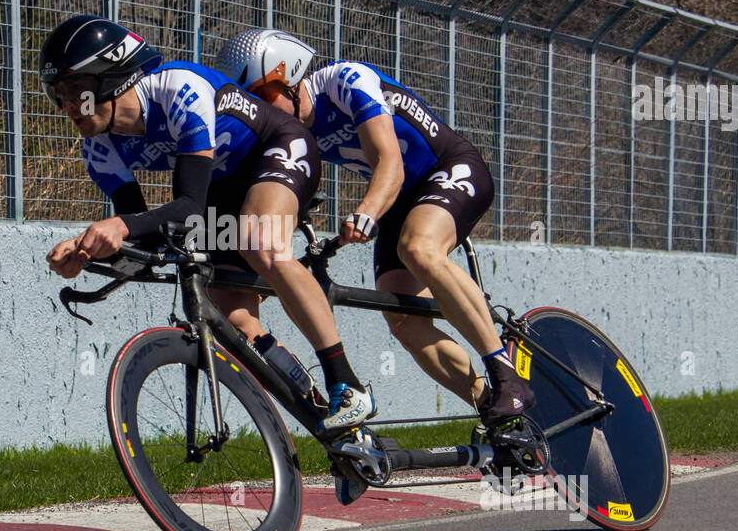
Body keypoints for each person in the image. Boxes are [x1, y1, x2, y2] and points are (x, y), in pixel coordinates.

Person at [40, 15, 375, 434]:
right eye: (59, 96)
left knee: (260, 241)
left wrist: (120, 228)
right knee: (231, 320)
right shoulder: (99, 148)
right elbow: (145, 232)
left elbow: (187, 208)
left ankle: (347, 382)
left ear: (111, 78)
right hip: (222, 182)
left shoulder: (176, 88)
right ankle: (333, 426)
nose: (69, 107)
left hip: (277, 148)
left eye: (77, 92)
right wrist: (89, 252)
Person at [215, 27, 535, 427]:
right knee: (402, 319)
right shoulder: (286, 131)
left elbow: (390, 162)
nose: (263, 107)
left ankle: (506, 374)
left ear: (290, 75)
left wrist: (366, 212)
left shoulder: (345, 82)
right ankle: (493, 409)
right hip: (403, 199)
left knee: (419, 248)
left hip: (449, 169)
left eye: (264, 94)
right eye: (251, 100)